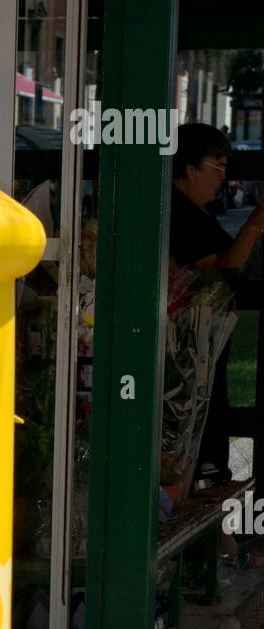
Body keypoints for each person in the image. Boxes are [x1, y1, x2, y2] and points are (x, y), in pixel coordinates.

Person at [170, 123, 264, 485]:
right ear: (191, 168)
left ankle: (220, 533)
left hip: (205, 348)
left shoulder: (196, 210)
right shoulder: (180, 214)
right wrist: (254, 224)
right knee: (201, 441)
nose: (223, 178)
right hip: (190, 354)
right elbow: (221, 277)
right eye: (217, 167)